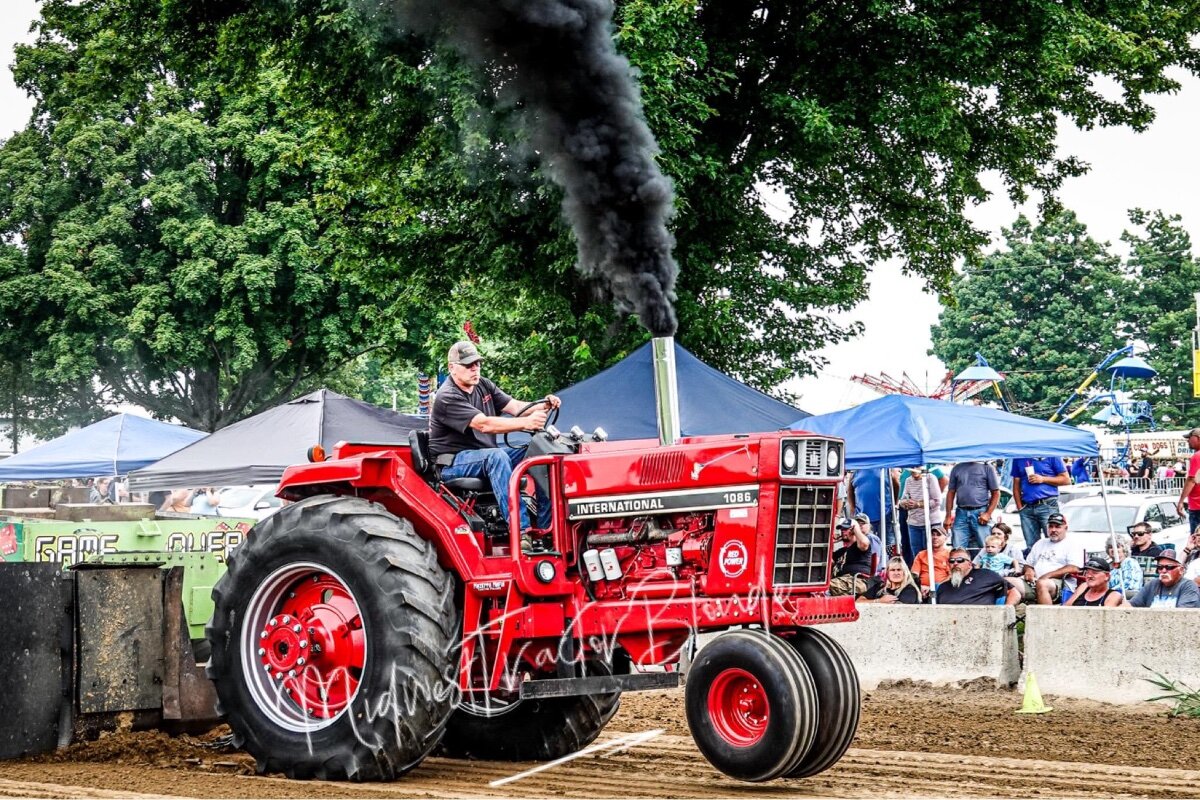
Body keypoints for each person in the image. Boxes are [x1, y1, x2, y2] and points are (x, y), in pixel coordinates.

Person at [429, 341, 560, 539]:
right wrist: (527, 423)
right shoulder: (447, 396)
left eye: (477, 363)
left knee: (540, 452)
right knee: (496, 457)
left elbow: (516, 407)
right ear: (452, 367)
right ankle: (521, 532)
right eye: (468, 365)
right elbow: (484, 424)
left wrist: (544, 405)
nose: (475, 369)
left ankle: (547, 530)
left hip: (483, 455)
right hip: (453, 462)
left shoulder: (483, 385)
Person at [1018, 512, 1082, 605]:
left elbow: (1074, 568)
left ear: (1066, 528)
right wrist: (1029, 570)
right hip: (1034, 581)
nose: (1053, 530)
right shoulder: (1040, 543)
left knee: (1042, 584)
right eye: (1051, 526)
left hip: (1060, 584)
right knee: (1007, 583)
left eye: (1057, 527)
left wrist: (1047, 576)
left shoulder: (1072, 544)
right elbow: (1028, 564)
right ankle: (1010, 613)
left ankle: (1047, 614)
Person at [1010, 456, 1070, 545]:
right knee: (1031, 545)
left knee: (1054, 541)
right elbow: (1016, 485)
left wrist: (1043, 479)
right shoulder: (1019, 457)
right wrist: (1020, 508)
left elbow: (1066, 480)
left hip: (1047, 504)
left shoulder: (1052, 456)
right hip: (1027, 507)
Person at [943, 461, 1001, 550]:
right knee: (957, 549)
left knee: (987, 548)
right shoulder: (957, 468)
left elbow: (996, 492)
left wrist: (988, 514)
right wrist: (948, 516)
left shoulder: (987, 467)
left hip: (980, 513)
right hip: (961, 513)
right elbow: (951, 492)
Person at [936, 548, 1021, 605]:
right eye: (951, 561)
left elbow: (1014, 593)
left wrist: (1005, 613)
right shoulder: (942, 587)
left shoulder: (986, 575)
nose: (955, 563)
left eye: (960, 560)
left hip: (982, 622)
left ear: (969, 564)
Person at [847, 470, 899, 555]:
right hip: (862, 517)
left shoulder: (886, 467)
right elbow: (850, 490)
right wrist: (852, 508)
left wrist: (895, 505)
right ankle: (870, 563)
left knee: (887, 545)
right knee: (865, 546)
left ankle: (888, 562)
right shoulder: (856, 469)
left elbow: (896, 485)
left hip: (885, 514)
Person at [1128, 548, 1200, 608]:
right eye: (1160, 567)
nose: (1163, 571)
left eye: (1169, 567)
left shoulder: (1188, 586)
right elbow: (1130, 606)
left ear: (1181, 570)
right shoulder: (1152, 584)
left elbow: (1183, 616)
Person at [899, 466, 944, 561]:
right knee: (917, 555)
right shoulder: (908, 480)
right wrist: (905, 503)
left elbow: (937, 501)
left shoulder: (930, 478)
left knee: (933, 554)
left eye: (917, 466)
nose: (914, 469)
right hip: (913, 523)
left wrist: (918, 504)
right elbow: (902, 500)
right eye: (912, 467)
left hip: (931, 522)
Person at [829, 518, 881, 596]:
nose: (842, 531)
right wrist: (829, 542)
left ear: (853, 530)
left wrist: (856, 527)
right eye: (841, 529)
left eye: (846, 529)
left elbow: (864, 543)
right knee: (819, 587)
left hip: (858, 580)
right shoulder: (841, 551)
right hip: (842, 581)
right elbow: (828, 560)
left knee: (826, 587)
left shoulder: (859, 546)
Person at [910, 526, 951, 596]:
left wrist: (934, 588)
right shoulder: (921, 554)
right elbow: (914, 574)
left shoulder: (949, 555)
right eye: (932, 535)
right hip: (922, 590)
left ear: (945, 538)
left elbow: (951, 576)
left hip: (942, 590)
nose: (935, 537)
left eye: (938, 535)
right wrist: (920, 586)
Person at [1175, 428, 1200, 535]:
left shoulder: (1197, 456)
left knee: (1196, 540)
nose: (1188, 440)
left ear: (1197, 438)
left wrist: (1181, 501)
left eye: (1190, 438)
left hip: (1197, 506)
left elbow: (1191, 480)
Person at [1106, 533, 1143, 597]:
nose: (1113, 549)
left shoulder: (1129, 562)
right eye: (1110, 547)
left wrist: (1108, 592)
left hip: (1128, 596)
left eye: (1117, 547)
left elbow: (1129, 584)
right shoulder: (1108, 565)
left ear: (1124, 549)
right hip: (1110, 595)